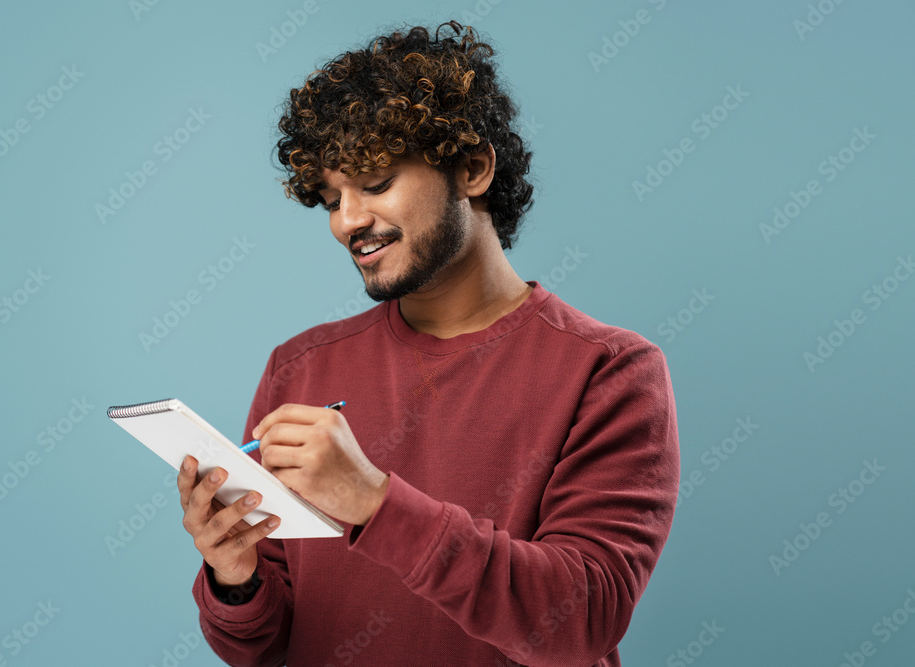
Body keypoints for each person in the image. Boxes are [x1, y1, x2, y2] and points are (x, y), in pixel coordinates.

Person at [176, 20, 680, 667]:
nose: (348, 221)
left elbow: (580, 619)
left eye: (377, 182)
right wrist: (234, 574)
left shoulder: (609, 370)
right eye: (331, 197)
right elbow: (259, 645)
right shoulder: (298, 367)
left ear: (471, 168)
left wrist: (374, 502)